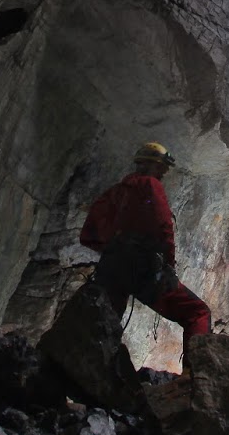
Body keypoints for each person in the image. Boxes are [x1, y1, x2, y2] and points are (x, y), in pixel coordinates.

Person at [79, 141, 212, 338]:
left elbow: (89, 233)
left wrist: (111, 251)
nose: (163, 173)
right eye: (161, 167)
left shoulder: (115, 191)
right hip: (141, 267)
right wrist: (168, 263)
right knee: (197, 312)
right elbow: (162, 224)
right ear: (149, 164)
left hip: (111, 267)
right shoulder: (149, 184)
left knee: (106, 322)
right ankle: (197, 368)